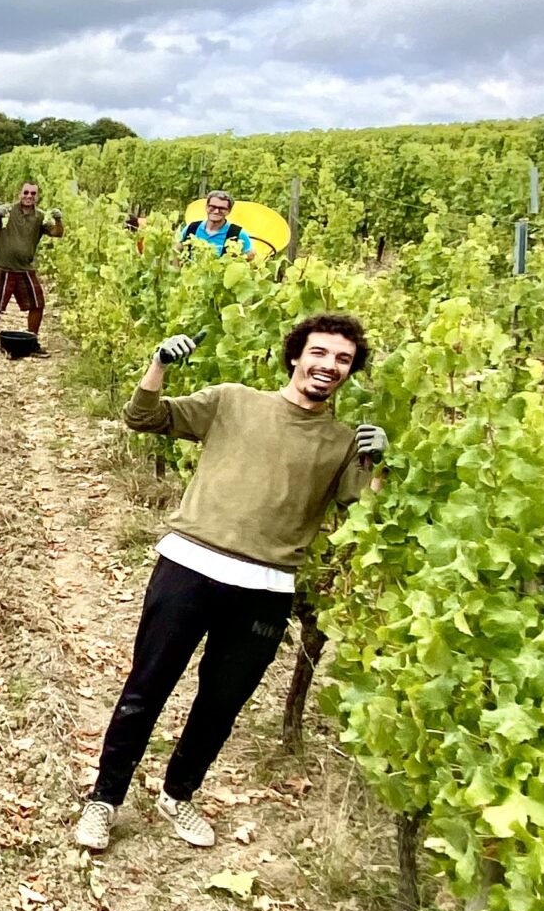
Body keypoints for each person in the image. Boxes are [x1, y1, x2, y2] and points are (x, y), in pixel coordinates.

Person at [74, 316, 386, 854]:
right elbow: (142, 417)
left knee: (223, 701)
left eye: (341, 359)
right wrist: (158, 365)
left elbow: (364, 510)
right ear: (296, 356)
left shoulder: (341, 442)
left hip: (266, 587)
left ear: (350, 371)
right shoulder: (233, 400)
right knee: (147, 687)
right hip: (189, 568)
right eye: (320, 353)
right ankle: (105, 798)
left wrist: (374, 463)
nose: (328, 366)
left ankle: (179, 793)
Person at [0, 181, 65, 348]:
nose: (29, 196)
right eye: (26, 192)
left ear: (37, 196)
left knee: (37, 304)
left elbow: (57, 233)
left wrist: (58, 220)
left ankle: (31, 340)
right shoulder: (7, 212)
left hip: (25, 269)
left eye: (33, 194)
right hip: (1, 266)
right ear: (19, 193)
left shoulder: (40, 217)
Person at [180, 190, 256, 258]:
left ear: (228, 211)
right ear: (206, 207)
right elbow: (176, 248)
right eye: (212, 207)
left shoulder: (237, 233)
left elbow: (250, 255)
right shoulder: (192, 228)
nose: (216, 211)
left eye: (222, 208)